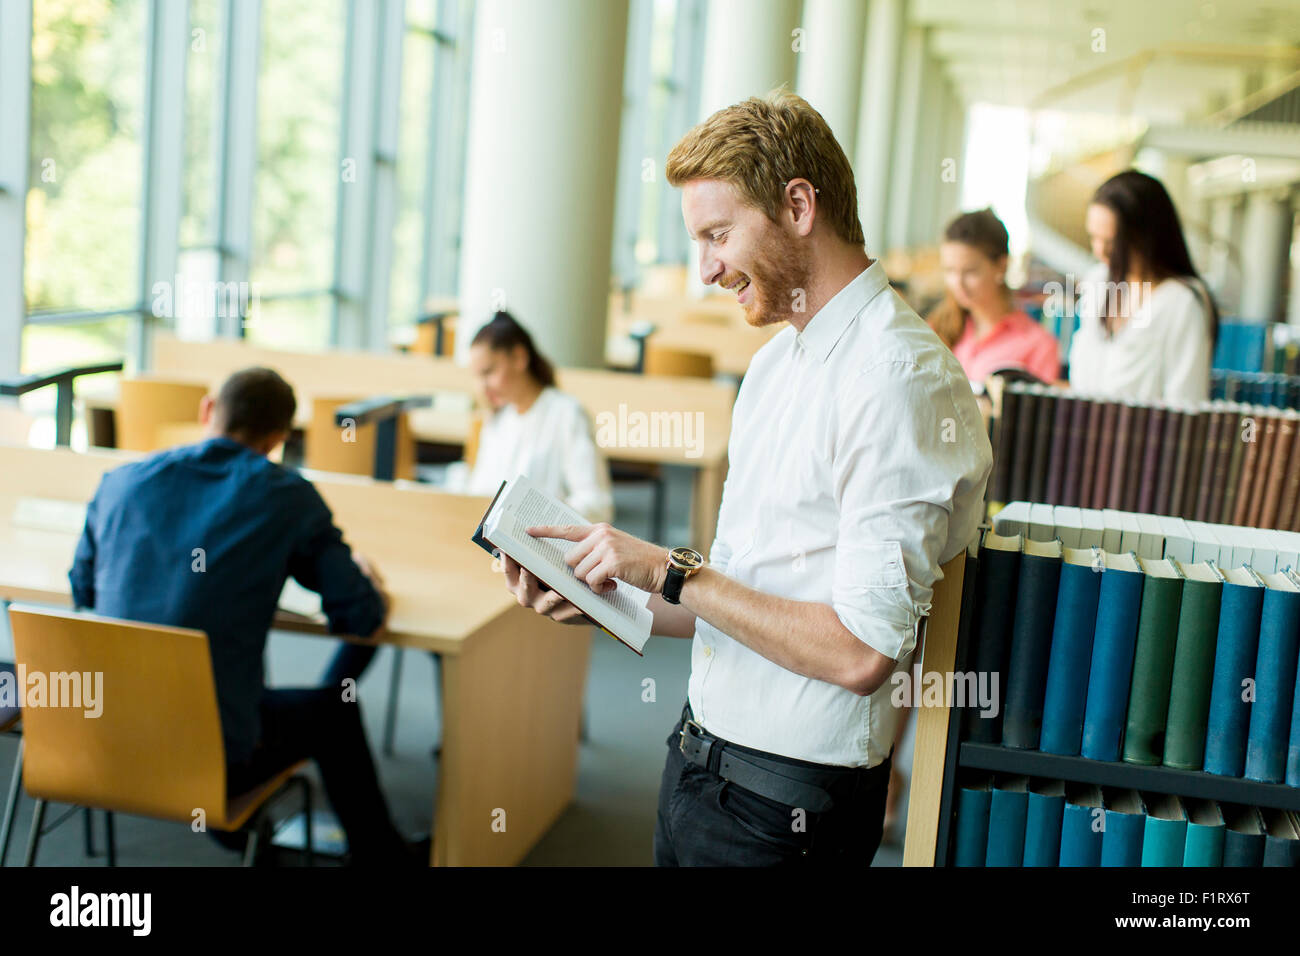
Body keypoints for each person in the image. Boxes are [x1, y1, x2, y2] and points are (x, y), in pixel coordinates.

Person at [503, 91, 992, 866]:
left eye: (718, 234)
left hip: (787, 806)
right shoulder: (773, 365)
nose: (705, 270)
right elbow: (739, 593)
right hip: (700, 758)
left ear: (798, 205)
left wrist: (667, 569)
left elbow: (862, 652)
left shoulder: (899, 379)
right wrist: (605, 597)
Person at [69, 367, 416, 866]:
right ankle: (385, 858)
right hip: (208, 757)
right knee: (334, 710)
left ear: (208, 410)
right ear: (278, 439)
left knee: (219, 685)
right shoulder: (286, 496)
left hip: (99, 739)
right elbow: (359, 616)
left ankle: (253, 839)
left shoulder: (121, 481)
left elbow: (83, 590)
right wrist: (363, 574)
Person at [320, 310, 613, 689]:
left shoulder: (565, 414)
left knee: (430, 607)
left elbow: (597, 503)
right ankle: (331, 697)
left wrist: (537, 520)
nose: (482, 386)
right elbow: (479, 492)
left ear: (519, 358)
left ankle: (332, 701)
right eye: (477, 375)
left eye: (489, 371)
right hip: (480, 556)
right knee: (389, 592)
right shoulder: (499, 420)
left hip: (530, 567)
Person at [1067, 168, 1217, 403]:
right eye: (1093, 237)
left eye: (1112, 242)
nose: (1100, 251)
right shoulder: (1097, 281)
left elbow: (1187, 404)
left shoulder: (1182, 302)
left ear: (1145, 238)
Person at [926, 208, 1061, 386]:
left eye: (970, 272)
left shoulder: (1039, 345)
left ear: (1001, 266)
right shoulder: (935, 329)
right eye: (950, 270)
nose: (958, 283)